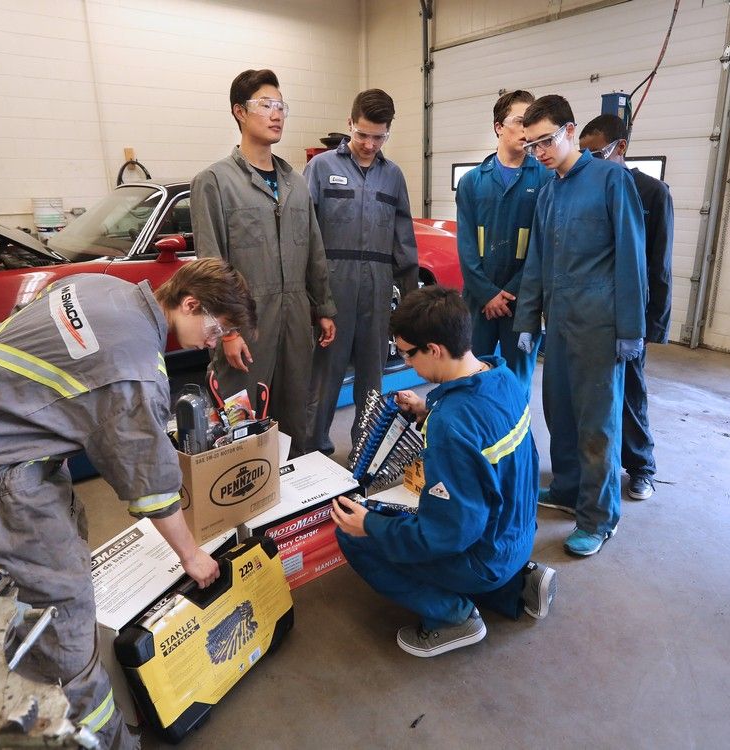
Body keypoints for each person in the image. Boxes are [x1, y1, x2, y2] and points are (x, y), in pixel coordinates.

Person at [0, 259, 257, 750]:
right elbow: (152, 488)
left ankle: (13, 706)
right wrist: (192, 556)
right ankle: (100, 738)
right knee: (62, 620)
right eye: (217, 328)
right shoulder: (136, 371)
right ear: (191, 304)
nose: (213, 340)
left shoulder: (99, 287)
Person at [330, 286, 557, 658]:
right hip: (517, 535)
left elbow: (448, 533)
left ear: (434, 349)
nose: (407, 363)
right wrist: (427, 410)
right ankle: (519, 585)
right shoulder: (503, 378)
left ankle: (453, 619)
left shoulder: (451, 425)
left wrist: (369, 525)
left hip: (485, 556)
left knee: (357, 536)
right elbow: (483, 440)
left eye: (406, 353)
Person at [513, 95, 647, 557]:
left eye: (546, 141)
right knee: (561, 414)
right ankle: (568, 490)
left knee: (597, 424)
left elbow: (631, 256)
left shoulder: (612, 180)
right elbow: (537, 262)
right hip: (560, 326)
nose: (540, 152)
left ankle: (599, 517)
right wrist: (528, 318)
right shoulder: (549, 191)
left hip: (599, 327)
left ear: (571, 131)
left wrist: (631, 327)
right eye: (532, 146)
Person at [191, 68, 336, 456]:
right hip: (246, 323)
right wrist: (228, 331)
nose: (277, 114)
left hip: (295, 316)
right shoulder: (214, 182)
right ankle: (246, 499)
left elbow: (314, 250)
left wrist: (322, 308)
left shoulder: (296, 183)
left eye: (281, 106)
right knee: (241, 418)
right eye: (265, 105)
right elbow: (210, 265)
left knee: (296, 411)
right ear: (239, 111)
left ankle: (298, 497)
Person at [304, 88, 419, 458]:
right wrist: (315, 300)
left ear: (388, 132)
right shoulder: (321, 168)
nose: (369, 144)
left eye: (379, 136)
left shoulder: (393, 176)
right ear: (349, 124)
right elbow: (304, 236)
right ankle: (314, 450)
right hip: (332, 291)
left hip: (377, 290)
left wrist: (410, 304)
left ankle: (365, 451)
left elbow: (404, 241)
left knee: (372, 377)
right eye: (362, 134)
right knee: (325, 374)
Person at [579, 114, 674, 502]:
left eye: (595, 152)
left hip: (630, 314)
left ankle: (640, 468)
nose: (587, 161)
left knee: (630, 392)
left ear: (620, 147)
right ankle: (592, 466)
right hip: (591, 311)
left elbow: (659, 263)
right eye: (581, 153)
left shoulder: (651, 192)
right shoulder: (582, 189)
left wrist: (653, 325)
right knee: (593, 395)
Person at [455, 89, 550, 398]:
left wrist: (508, 295)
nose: (527, 130)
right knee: (471, 376)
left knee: (516, 383)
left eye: (531, 122)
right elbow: (467, 248)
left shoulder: (546, 181)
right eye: (520, 121)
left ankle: (514, 443)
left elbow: (542, 248)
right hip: (478, 302)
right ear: (498, 126)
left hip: (522, 304)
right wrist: (487, 295)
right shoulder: (472, 182)